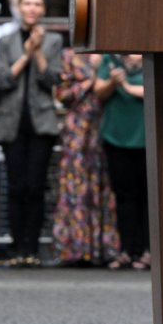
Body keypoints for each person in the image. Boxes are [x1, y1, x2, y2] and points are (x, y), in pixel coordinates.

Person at [0, 0, 62, 266]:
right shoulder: (5, 41)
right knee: (16, 185)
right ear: (19, 7)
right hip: (12, 123)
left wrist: (39, 53)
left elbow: (53, 79)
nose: (32, 8)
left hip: (41, 122)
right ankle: (16, 246)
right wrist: (26, 53)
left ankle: (32, 249)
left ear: (43, 10)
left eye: (37, 4)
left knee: (35, 186)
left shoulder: (54, 40)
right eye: (27, 3)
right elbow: (3, 79)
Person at [52, 48, 120, 266]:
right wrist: (91, 78)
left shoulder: (110, 54)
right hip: (77, 130)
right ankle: (75, 248)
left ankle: (101, 248)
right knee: (76, 186)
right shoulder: (69, 56)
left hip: (103, 125)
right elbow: (62, 95)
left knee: (102, 184)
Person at [94, 52, 149, 270]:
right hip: (116, 137)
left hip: (147, 138)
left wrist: (125, 86)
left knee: (148, 198)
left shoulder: (153, 56)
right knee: (124, 197)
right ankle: (126, 249)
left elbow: (158, 90)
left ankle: (147, 251)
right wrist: (112, 82)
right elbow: (99, 92)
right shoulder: (110, 59)